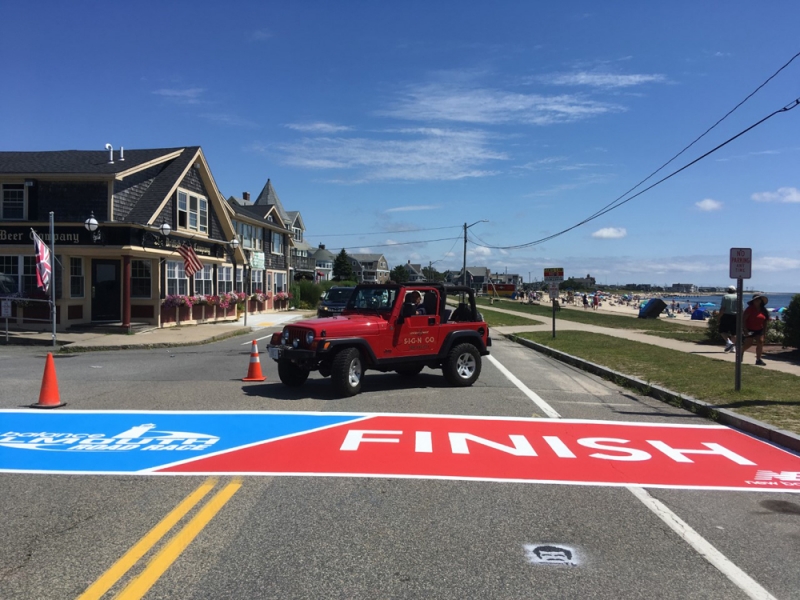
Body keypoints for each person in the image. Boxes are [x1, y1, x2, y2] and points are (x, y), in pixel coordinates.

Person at [741, 293, 769, 366]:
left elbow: (765, 321)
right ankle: (741, 351)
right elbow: (744, 320)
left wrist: (764, 331)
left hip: (759, 329)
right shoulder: (750, 309)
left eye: (758, 300)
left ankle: (758, 359)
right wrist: (745, 329)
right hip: (750, 329)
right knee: (749, 343)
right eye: (755, 300)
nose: (757, 301)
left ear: (760, 301)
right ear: (753, 301)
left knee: (760, 342)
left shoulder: (763, 310)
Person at [718, 285, 738, 352]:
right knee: (734, 333)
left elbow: (723, 308)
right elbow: (741, 308)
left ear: (728, 290)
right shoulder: (739, 297)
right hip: (736, 315)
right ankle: (733, 347)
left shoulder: (725, 297)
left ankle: (729, 342)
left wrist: (719, 316)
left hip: (726, 315)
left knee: (722, 330)